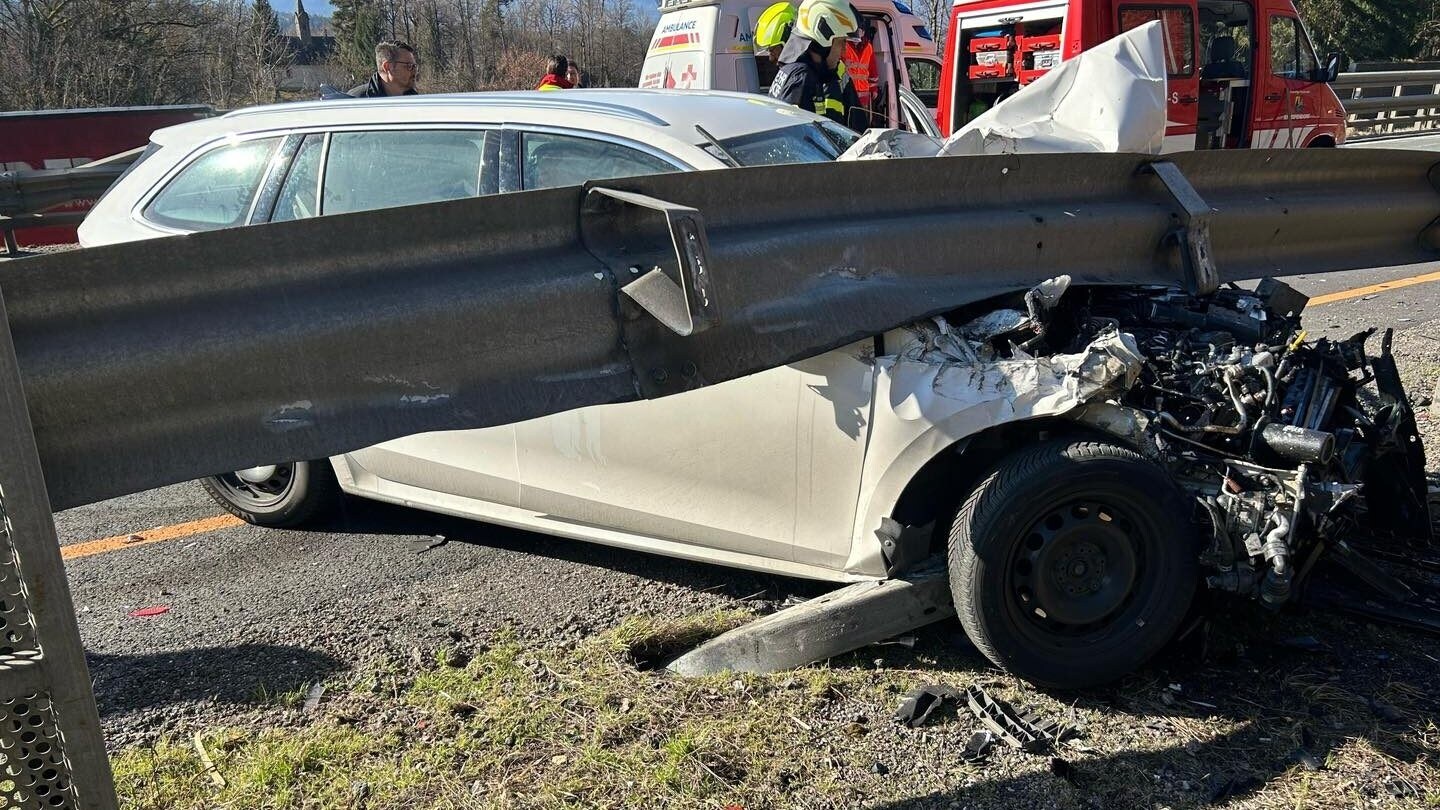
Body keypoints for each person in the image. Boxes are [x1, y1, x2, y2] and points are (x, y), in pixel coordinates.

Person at [769, 0, 861, 128]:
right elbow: (799, 141)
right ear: (823, 40)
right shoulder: (801, 78)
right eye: (842, 42)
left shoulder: (800, 72)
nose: (845, 51)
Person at [842, 9, 880, 129]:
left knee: (863, 125)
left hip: (864, 96)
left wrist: (873, 89)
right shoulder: (844, 45)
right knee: (849, 124)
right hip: (848, 93)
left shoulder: (868, 47)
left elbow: (872, 69)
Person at [347, 41, 420, 97]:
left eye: (415, 66)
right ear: (387, 67)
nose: (415, 70)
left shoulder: (417, 101)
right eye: (409, 66)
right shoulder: (356, 101)